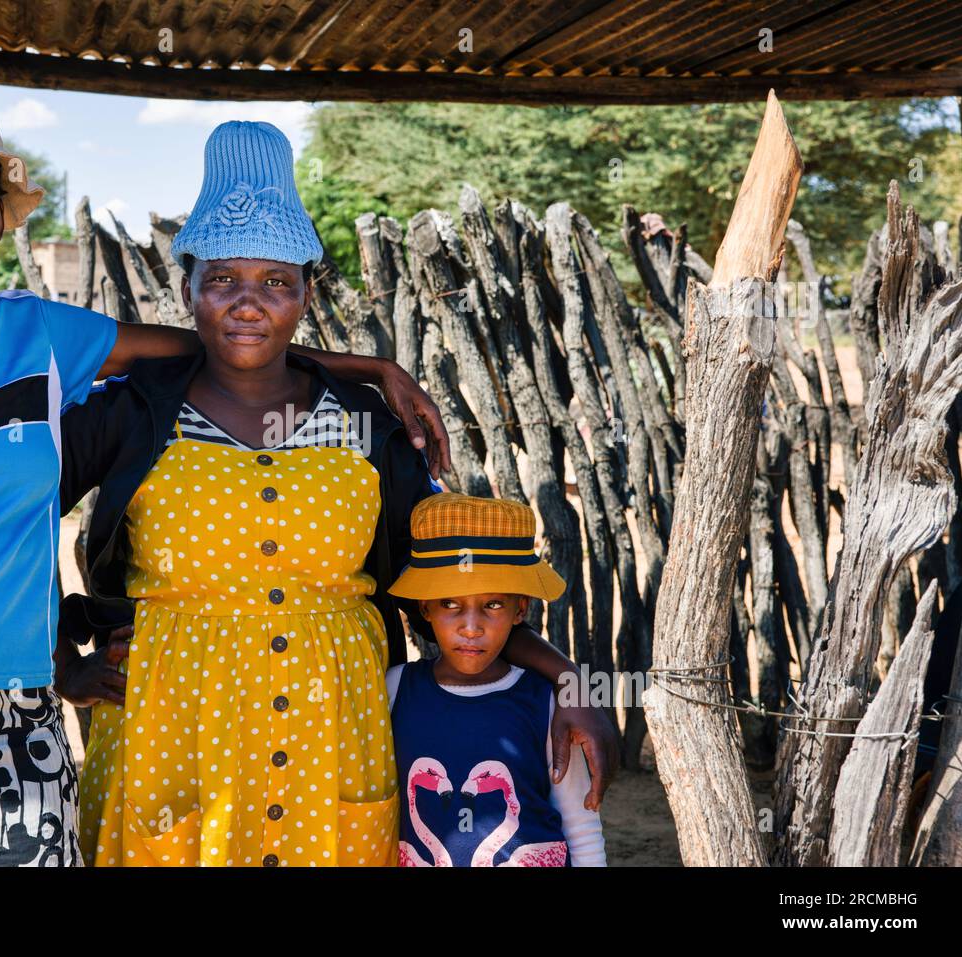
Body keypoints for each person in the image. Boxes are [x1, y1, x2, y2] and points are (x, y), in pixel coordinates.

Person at [0, 80, 448, 868]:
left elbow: (223, 343)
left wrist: (371, 371)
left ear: (1, 219)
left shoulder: (41, 339)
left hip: (16, 733)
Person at [54, 120, 618, 867]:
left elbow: (448, 579)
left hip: (335, 738)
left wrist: (567, 674)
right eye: (222, 279)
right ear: (185, 284)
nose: (249, 303)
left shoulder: (365, 424)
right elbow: (5, 515)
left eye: (276, 282)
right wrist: (57, 658)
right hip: (172, 732)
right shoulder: (132, 410)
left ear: (307, 293)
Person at [386, 493, 607, 867]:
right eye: (450, 604)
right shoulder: (394, 690)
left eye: (492, 605)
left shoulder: (546, 701)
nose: (471, 628)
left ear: (520, 609)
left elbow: (582, 827)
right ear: (424, 607)